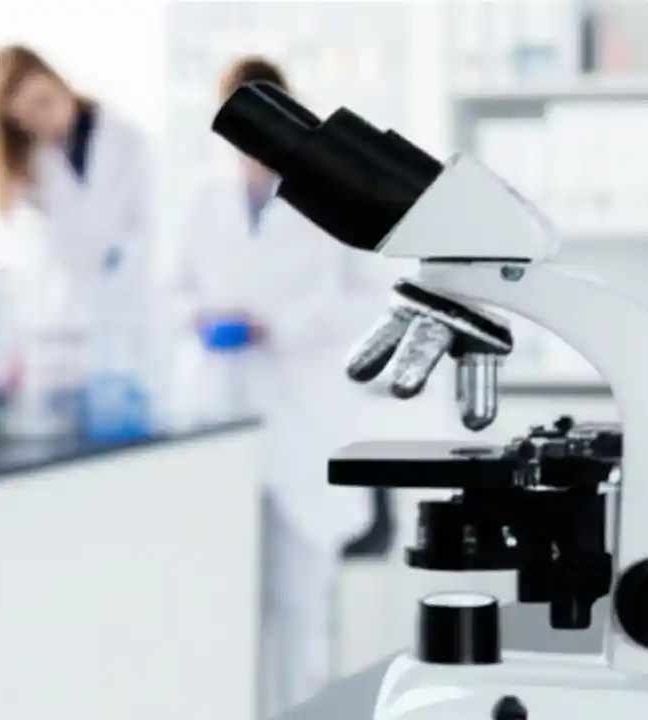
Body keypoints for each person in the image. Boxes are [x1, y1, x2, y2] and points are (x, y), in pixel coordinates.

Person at [169, 58, 387, 717]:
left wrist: (282, 325)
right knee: (220, 604)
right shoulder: (203, 201)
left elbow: (369, 300)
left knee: (299, 609)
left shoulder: (330, 197)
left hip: (303, 418)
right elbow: (170, 293)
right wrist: (203, 319)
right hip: (222, 414)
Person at [0, 45, 154, 434]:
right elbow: (27, 271)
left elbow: (145, 244)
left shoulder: (128, 142)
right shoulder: (29, 170)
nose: (43, 119)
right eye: (27, 118)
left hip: (123, 334)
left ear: (59, 82)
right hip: (54, 347)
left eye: (44, 101)